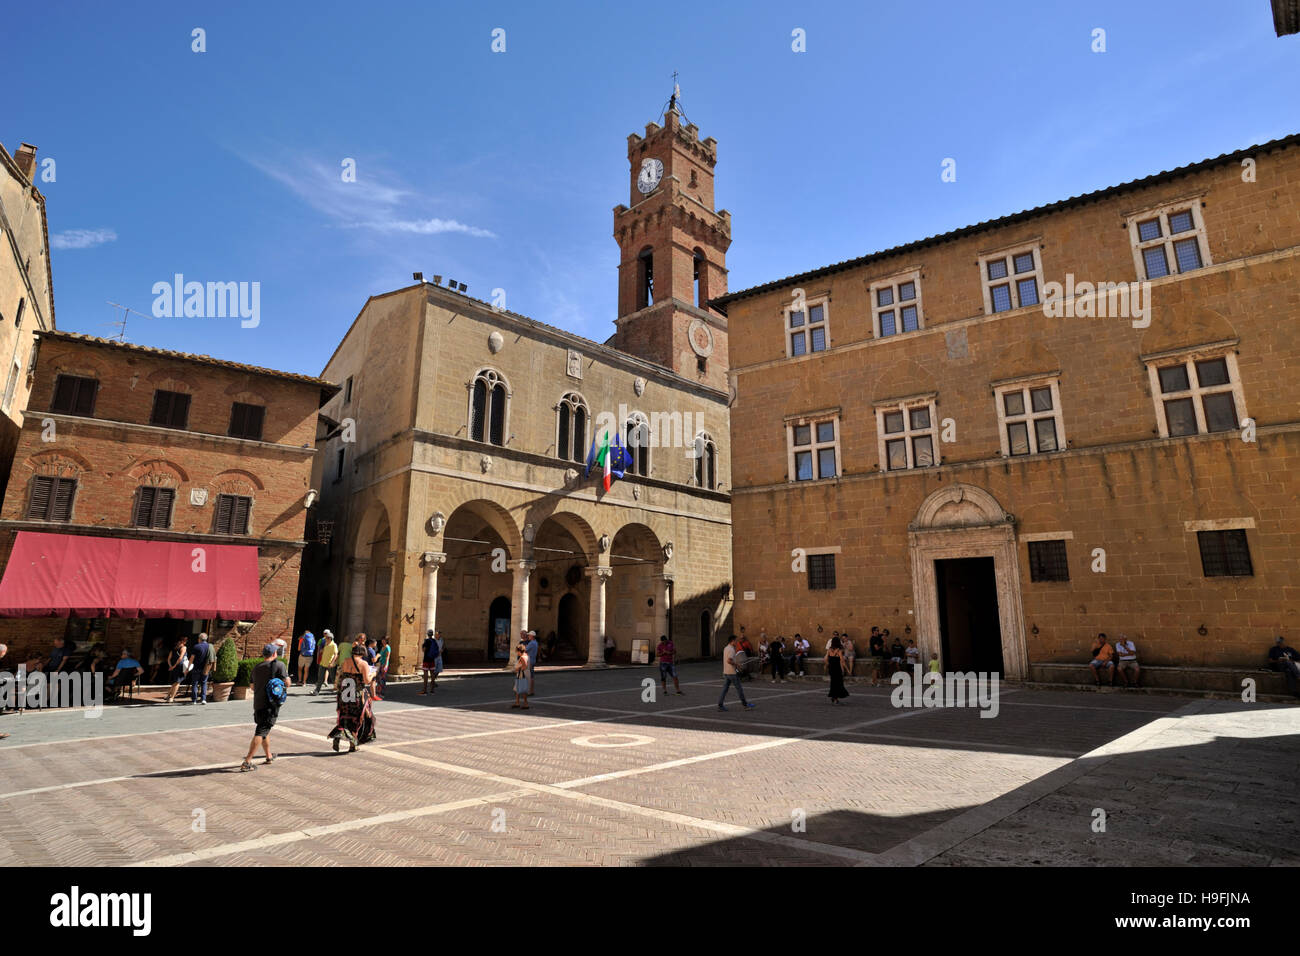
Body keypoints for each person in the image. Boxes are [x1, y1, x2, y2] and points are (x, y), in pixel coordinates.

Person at [240, 644, 287, 771]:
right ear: (274, 654)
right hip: (270, 705)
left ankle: (268, 756)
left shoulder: (256, 667)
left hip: (258, 704)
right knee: (261, 732)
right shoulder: (279, 665)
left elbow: (252, 686)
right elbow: (287, 683)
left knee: (264, 730)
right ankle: (247, 761)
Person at [330, 641, 377, 752]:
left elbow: (341, 675)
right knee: (357, 719)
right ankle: (352, 745)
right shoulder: (363, 664)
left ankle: (338, 736)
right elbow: (366, 680)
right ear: (362, 653)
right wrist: (373, 674)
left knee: (344, 717)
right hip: (356, 694)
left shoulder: (346, 661)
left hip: (344, 693)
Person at [717, 635, 755, 711]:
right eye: (736, 640)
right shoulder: (731, 649)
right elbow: (729, 660)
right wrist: (737, 664)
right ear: (732, 641)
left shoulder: (726, 648)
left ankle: (720, 705)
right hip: (732, 673)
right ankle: (745, 705)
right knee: (739, 689)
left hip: (726, 672)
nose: (737, 642)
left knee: (725, 689)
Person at [189, 633, 212, 705]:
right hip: (206, 668)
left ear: (199, 639)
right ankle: (203, 699)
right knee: (204, 683)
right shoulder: (209, 647)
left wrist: (188, 667)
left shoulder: (196, 646)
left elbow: (192, 658)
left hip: (196, 668)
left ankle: (194, 700)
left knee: (195, 683)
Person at [826, 636, 850, 705]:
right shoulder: (839, 650)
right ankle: (835, 698)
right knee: (838, 684)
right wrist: (847, 670)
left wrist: (827, 665)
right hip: (837, 670)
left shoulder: (829, 650)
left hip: (831, 669)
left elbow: (825, 659)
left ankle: (834, 697)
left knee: (833, 683)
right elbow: (842, 661)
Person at [164, 637, 189, 702]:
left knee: (174, 682)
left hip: (173, 667)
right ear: (183, 642)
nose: (186, 642)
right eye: (185, 641)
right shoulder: (184, 648)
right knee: (177, 682)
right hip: (179, 666)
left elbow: (169, 659)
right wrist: (174, 666)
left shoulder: (174, 648)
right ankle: (171, 698)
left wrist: (171, 666)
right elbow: (181, 658)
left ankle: (168, 696)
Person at [313, 630, 338, 695]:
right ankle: (317, 691)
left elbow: (336, 655)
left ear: (330, 638)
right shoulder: (326, 644)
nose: (325, 639)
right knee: (320, 678)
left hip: (330, 664)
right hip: (322, 663)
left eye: (326, 638)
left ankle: (337, 690)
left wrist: (332, 663)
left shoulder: (333, 645)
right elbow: (323, 651)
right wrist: (321, 651)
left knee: (333, 678)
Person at [419, 629, 440, 696]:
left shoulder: (426, 641)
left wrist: (423, 647)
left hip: (426, 659)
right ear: (432, 634)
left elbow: (424, 650)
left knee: (425, 675)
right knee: (432, 675)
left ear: (428, 634)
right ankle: (432, 691)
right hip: (432, 660)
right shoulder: (434, 641)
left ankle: (424, 691)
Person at [512, 641, 531, 709]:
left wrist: (518, 668)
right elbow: (529, 666)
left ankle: (525, 704)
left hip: (522, 674)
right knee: (518, 688)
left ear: (519, 651)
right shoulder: (527, 655)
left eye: (517, 651)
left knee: (522, 689)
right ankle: (517, 702)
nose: (517, 653)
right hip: (526, 673)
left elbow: (524, 666)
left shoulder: (522, 657)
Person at [526, 630, 539, 695]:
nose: (528, 636)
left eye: (529, 635)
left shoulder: (531, 643)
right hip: (533, 660)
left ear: (532, 636)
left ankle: (529, 691)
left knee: (529, 676)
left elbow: (525, 650)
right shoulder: (536, 642)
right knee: (532, 676)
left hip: (530, 661)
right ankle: (532, 690)